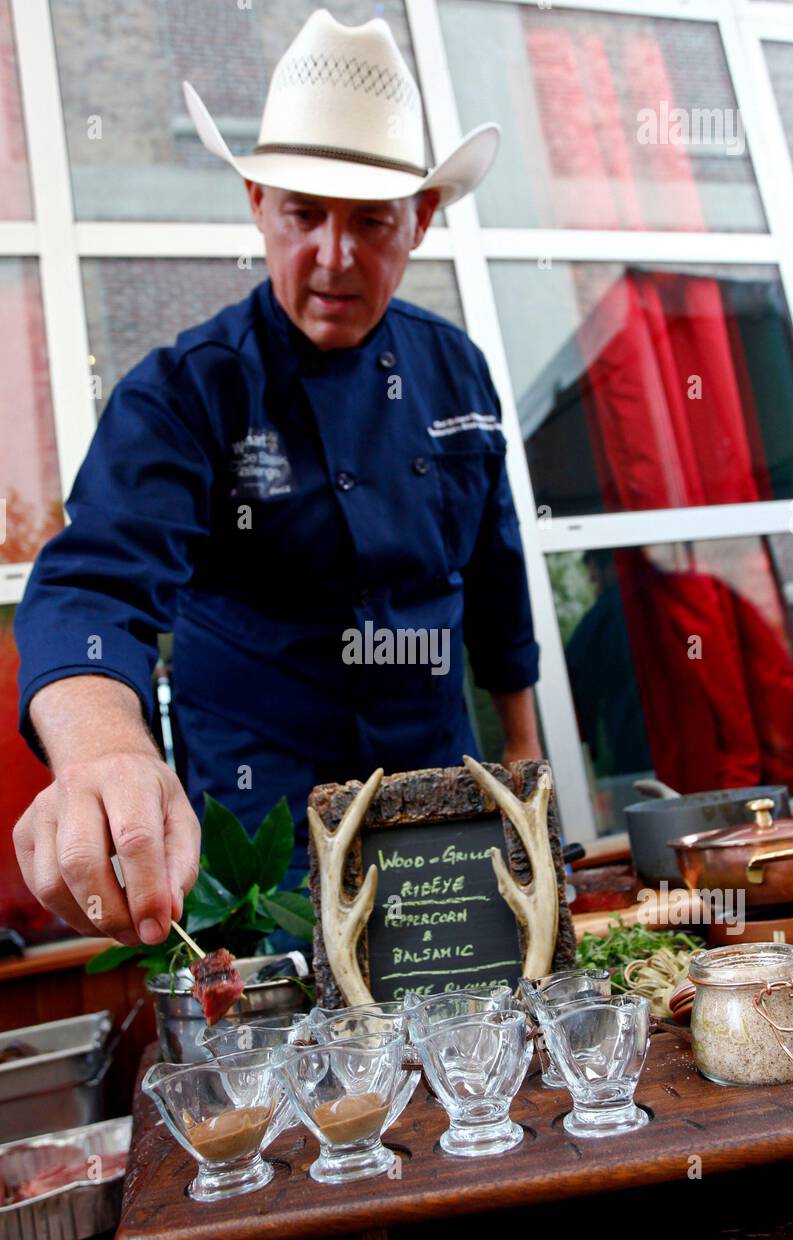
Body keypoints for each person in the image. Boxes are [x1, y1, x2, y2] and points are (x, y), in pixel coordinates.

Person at [12, 9, 541, 953]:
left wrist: (522, 749)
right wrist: (102, 747)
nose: (334, 257)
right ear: (258, 202)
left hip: (436, 797)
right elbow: (93, 582)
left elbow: (496, 575)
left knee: (465, 1041)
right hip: (266, 826)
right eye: (304, 215)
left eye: (371, 222)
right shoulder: (187, 390)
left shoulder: (455, 368)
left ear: (418, 222)